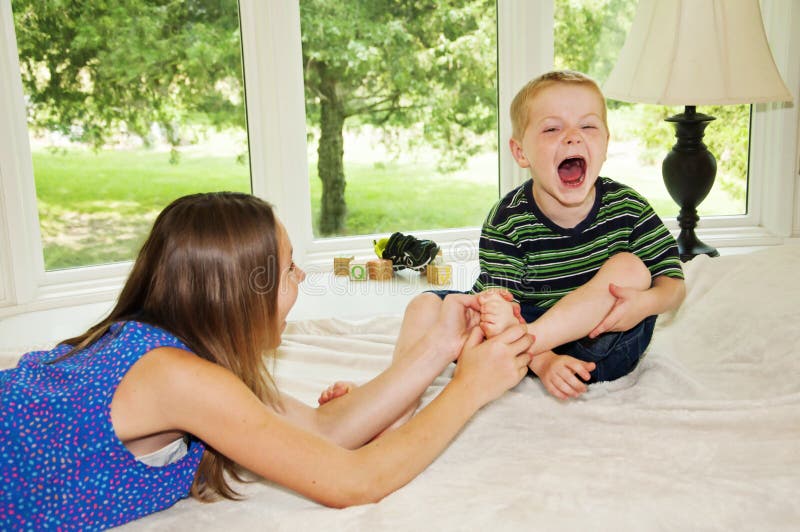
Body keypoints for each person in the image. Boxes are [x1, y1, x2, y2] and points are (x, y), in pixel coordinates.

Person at [0, 192, 535, 530]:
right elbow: (354, 481)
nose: (302, 279)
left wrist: (440, 347)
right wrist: (468, 389)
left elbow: (325, 430)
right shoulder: (178, 378)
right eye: (289, 269)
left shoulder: (185, 356)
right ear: (237, 294)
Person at [380, 70, 685, 407]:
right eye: (553, 128)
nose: (572, 137)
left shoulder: (627, 207)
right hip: (525, 330)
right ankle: (393, 402)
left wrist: (645, 303)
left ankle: (511, 351)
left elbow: (673, 284)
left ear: (605, 144)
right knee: (427, 305)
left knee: (632, 268)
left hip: (601, 341)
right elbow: (500, 306)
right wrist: (544, 361)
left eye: (588, 126)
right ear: (521, 152)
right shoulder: (508, 219)